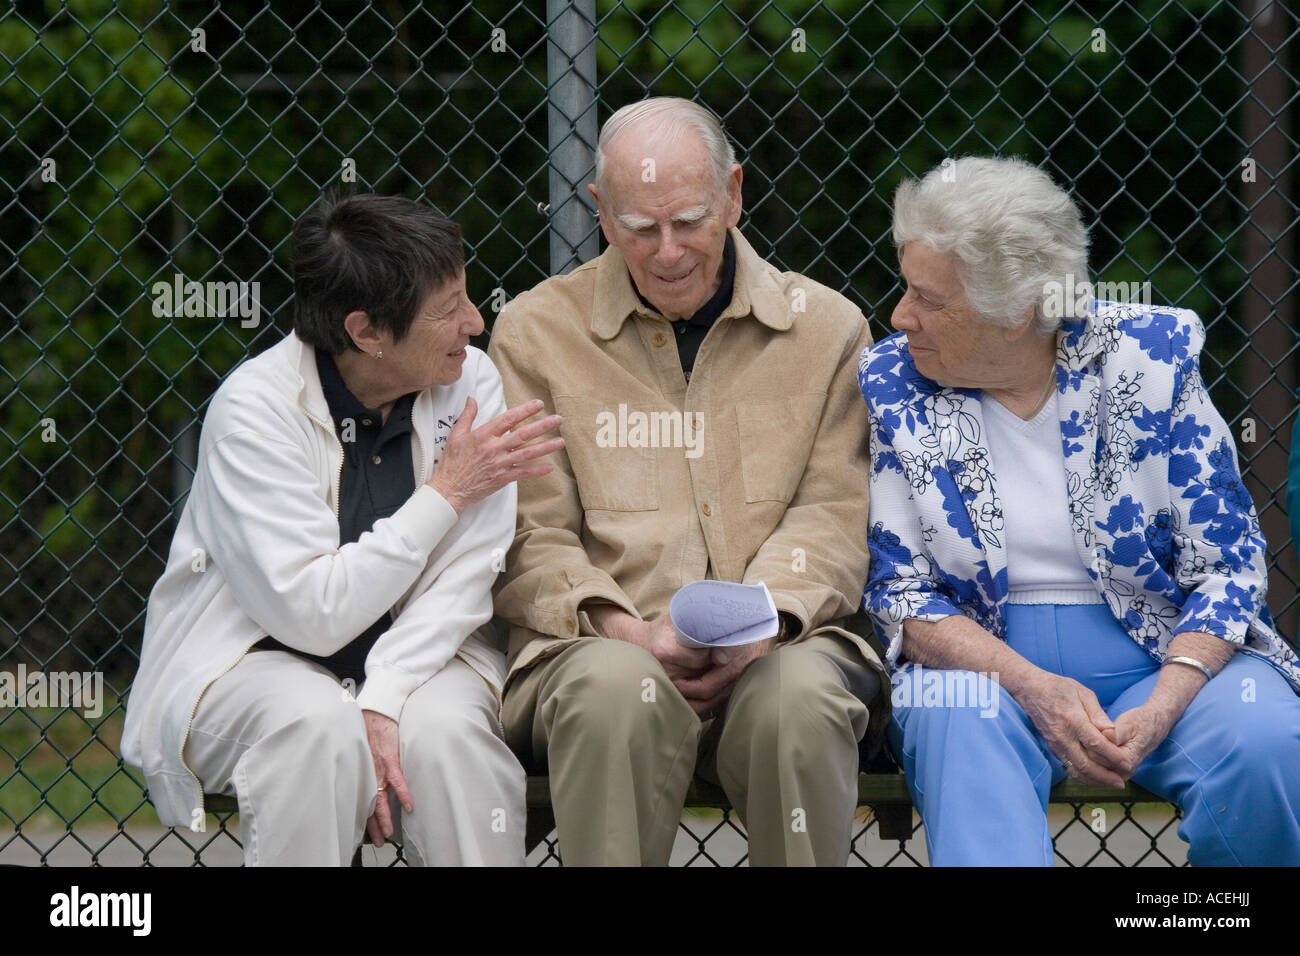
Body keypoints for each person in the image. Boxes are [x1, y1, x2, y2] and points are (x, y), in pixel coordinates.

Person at [859, 156, 1300, 866]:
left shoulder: (1151, 359)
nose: (900, 315)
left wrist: (1162, 707)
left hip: (1161, 653)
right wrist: (1034, 688)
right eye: (908, 288)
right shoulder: (892, 379)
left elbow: (1229, 568)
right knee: (953, 722)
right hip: (983, 666)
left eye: (930, 300)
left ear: (1020, 314)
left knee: (1269, 742)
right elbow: (899, 593)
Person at [488, 96, 888, 866]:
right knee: (612, 693)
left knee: (796, 702)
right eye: (640, 228)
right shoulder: (536, 334)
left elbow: (834, 518)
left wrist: (754, 628)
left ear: (735, 193)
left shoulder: (829, 329)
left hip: (784, 642)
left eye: (691, 220)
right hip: (598, 646)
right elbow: (527, 532)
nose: (667, 251)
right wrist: (630, 634)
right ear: (601, 213)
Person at [122, 193, 563, 865]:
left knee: (447, 739)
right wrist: (444, 494)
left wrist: (382, 696)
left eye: (468, 297)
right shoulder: (253, 411)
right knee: (315, 727)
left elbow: (468, 574)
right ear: (367, 333)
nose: (475, 323)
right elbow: (314, 613)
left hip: (426, 655)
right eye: (448, 311)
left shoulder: (471, 379)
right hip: (256, 661)